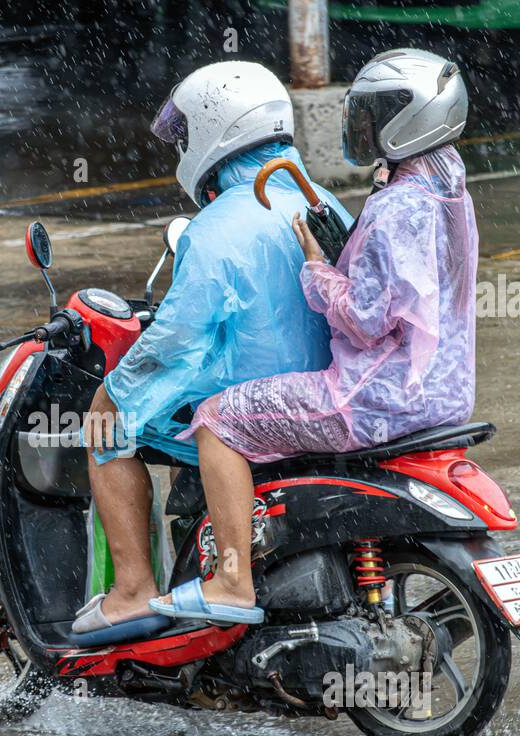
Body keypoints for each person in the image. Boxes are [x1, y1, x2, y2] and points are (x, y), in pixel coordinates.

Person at [150, 48, 478, 624]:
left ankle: (231, 580)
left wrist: (316, 267)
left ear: (410, 119)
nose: (364, 125)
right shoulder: (446, 186)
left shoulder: (396, 206)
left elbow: (366, 319)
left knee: (217, 419)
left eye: (378, 113)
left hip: (374, 398)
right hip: (439, 392)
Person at [72, 61, 353, 634]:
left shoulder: (217, 226)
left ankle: (132, 591)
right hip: (326, 396)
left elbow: (179, 341)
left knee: (109, 433)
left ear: (212, 131)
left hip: (253, 404)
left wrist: (113, 392)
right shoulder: (324, 202)